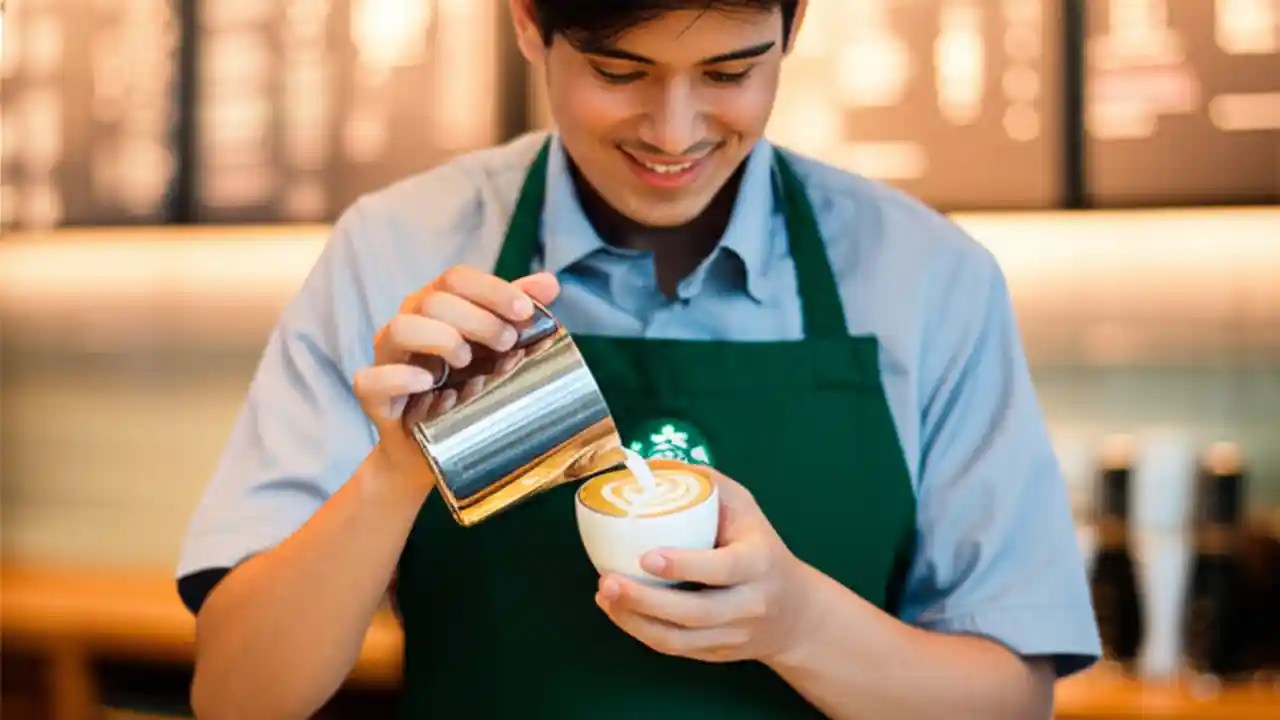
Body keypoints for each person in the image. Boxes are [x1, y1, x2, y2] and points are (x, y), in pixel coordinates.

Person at [176, 1, 1101, 717]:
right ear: (530, 22)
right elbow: (235, 696)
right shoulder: (393, 251)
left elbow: (1012, 703)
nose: (674, 129)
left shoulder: (928, 279)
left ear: (794, 28)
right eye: (621, 71)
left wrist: (798, 624)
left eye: (730, 71)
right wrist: (394, 471)